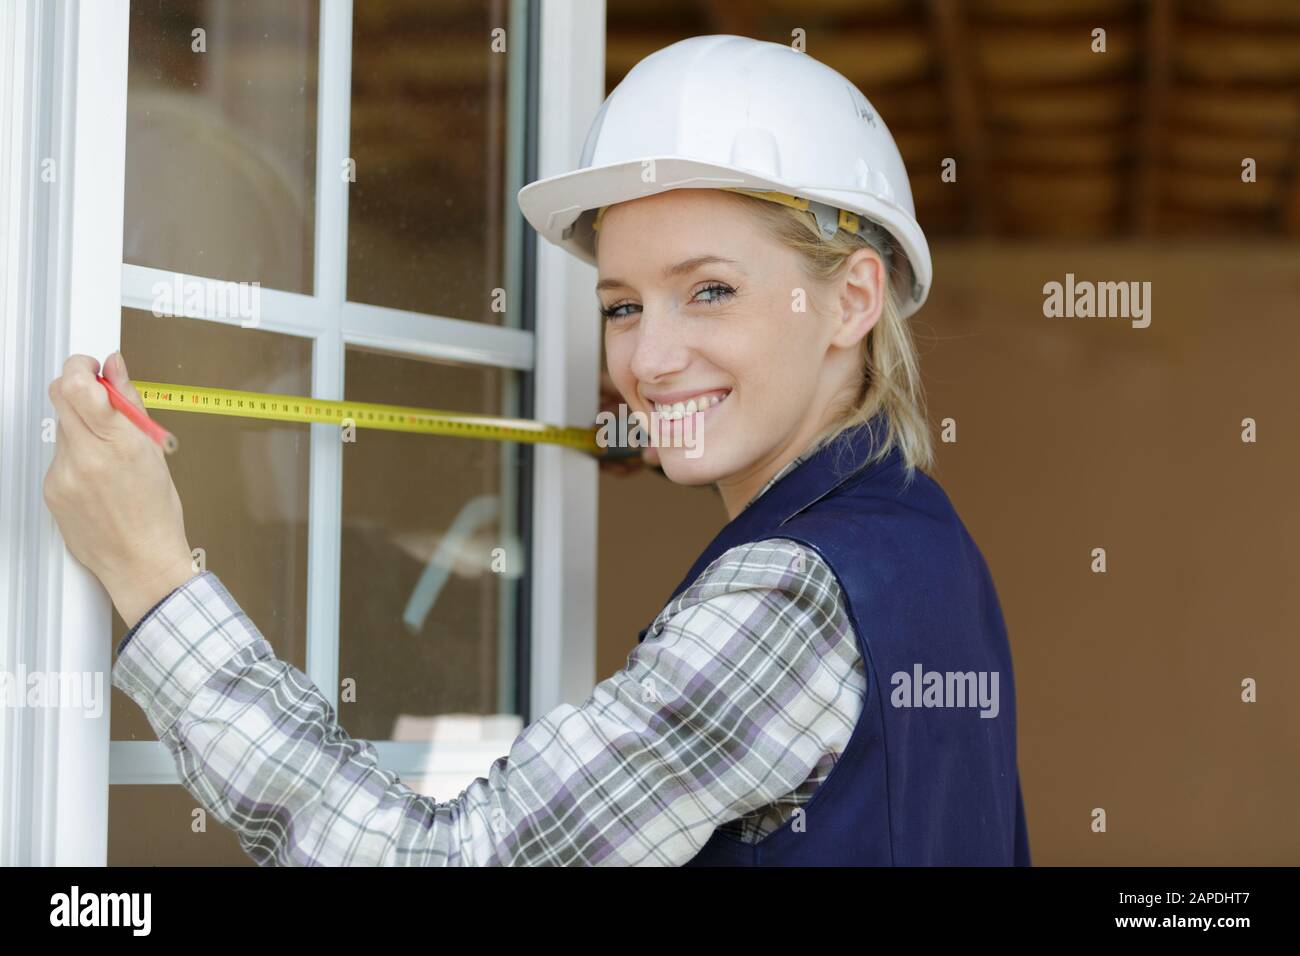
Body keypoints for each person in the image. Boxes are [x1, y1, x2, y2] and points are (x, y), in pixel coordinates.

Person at [43, 35, 1029, 865]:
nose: (648, 355)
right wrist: (691, 408)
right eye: (621, 306)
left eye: (711, 290)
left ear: (851, 298)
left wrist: (155, 579)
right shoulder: (913, 538)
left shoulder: (783, 602)